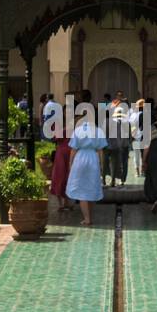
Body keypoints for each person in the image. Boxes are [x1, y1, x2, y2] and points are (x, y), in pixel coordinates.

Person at [65, 91, 107, 227]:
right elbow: (101, 151)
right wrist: (101, 166)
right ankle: (89, 216)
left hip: (80, 159)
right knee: (92, 187)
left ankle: (87, 218)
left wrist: (71, 164)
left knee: (82, 190)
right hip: (93, 158)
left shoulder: (78, 131)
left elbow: (73, 150)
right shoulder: (98, 131)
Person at [106, 90, 130, 186]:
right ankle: (116, 178)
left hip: (123, 144)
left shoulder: (125, 121)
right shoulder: (114, 121)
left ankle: (122, 179)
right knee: (116, 162)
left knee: (123, 162)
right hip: (116, 144)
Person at [50, 132, 73, 212]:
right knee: (66, 176)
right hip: (69, 152)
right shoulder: (72, 127)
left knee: (59, 176)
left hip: (62, 153)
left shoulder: (59, 127)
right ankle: (66, 202)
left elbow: (54, 138)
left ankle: (61, 203)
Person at [129, 98, 146, 175]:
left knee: (136, 154)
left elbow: (130, 126)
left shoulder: (133, 115)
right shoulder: (146, 115)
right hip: (144, 137)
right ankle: (143, 170)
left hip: (135, 137)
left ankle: (137, 171)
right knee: (143, 154)